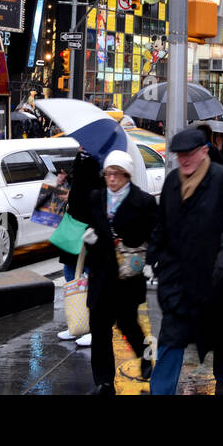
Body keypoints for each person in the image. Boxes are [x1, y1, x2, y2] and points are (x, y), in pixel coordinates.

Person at [148, 128, 223, 395]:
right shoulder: (173, 181)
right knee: (171, 338)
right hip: (179, 279)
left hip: (217, 278)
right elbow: (162, 223)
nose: (183, 161)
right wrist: (153, 255)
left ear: (204, 152)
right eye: (179, 156)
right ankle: (160, 391)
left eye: (188, 155)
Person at [83, 149, 157, 394]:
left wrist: (151, 262)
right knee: (99, 330)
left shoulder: (144, 201)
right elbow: (80, 218)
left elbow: (154, 234)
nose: (112, 179)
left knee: (129, 324)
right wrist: (89, 239)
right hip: (101, 274)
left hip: (127, 276)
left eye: (117, 174)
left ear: (127, 175)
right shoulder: (96, 197)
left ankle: (146, 358)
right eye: (108, 173)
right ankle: (104, 381)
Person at [50, 150, 102, 347]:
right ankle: (76, 323)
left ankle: (93, 327)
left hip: (89, 230)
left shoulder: (101, 162)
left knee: (90, 279)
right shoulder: (80, 160)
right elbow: (65, 195)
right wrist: (62, 181)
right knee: (71, 276)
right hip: (72, 228)